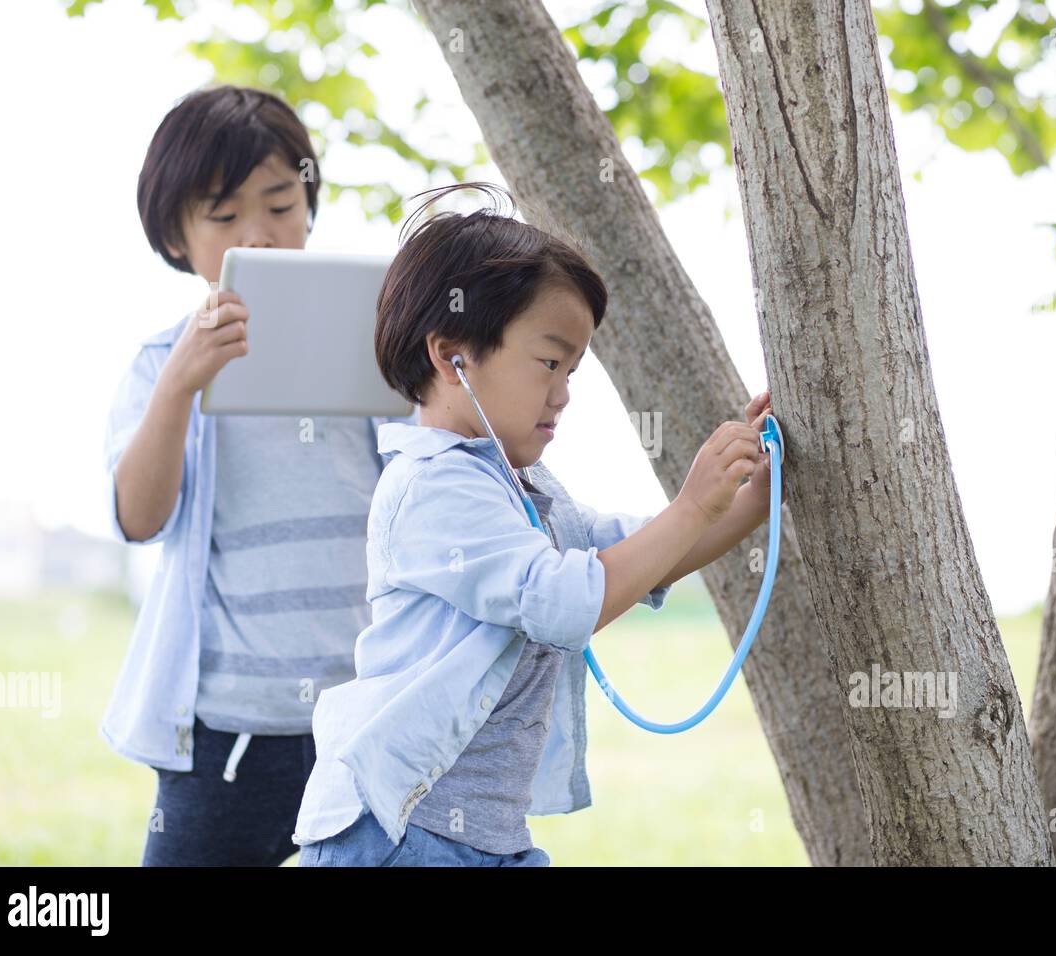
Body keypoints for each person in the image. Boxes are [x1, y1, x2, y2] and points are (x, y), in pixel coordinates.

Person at [293, 181, 774, 866]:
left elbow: (638, 559)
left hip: (482, 838)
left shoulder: (519, 487)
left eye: (573, 368)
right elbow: (565, 600)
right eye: (550, 361)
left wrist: (748, 501)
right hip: (399, 832)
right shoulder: (433, 485)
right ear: (451, 355)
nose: (565, 392)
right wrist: (693, 503)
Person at [101, 83, 414, 866]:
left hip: (365, 725)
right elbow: (140, 517)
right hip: (226, 735)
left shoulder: (373, 353)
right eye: (224, 214)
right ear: (176, 238)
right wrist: (180, 384)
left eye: (281, 204)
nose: (262, 235)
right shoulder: (157, 365)